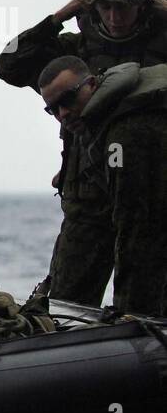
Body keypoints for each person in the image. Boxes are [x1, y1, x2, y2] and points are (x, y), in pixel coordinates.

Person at [0, 0, 167, 305]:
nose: (115, 17)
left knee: (145, 309)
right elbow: (8, 62)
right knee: (66, 302)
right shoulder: (76, 51)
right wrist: (59, 17)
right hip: (88, 194)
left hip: (150, 195)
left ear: (142, 2)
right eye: (105, 7)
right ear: (93, 5)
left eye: (124, 6)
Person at [37, 55, 167, 316]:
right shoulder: (104, 122)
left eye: (69, 99)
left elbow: (138, 229)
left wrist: (131, 316)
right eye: (53, 109)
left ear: (93, 84)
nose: (63, 114)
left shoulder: (124, 135)